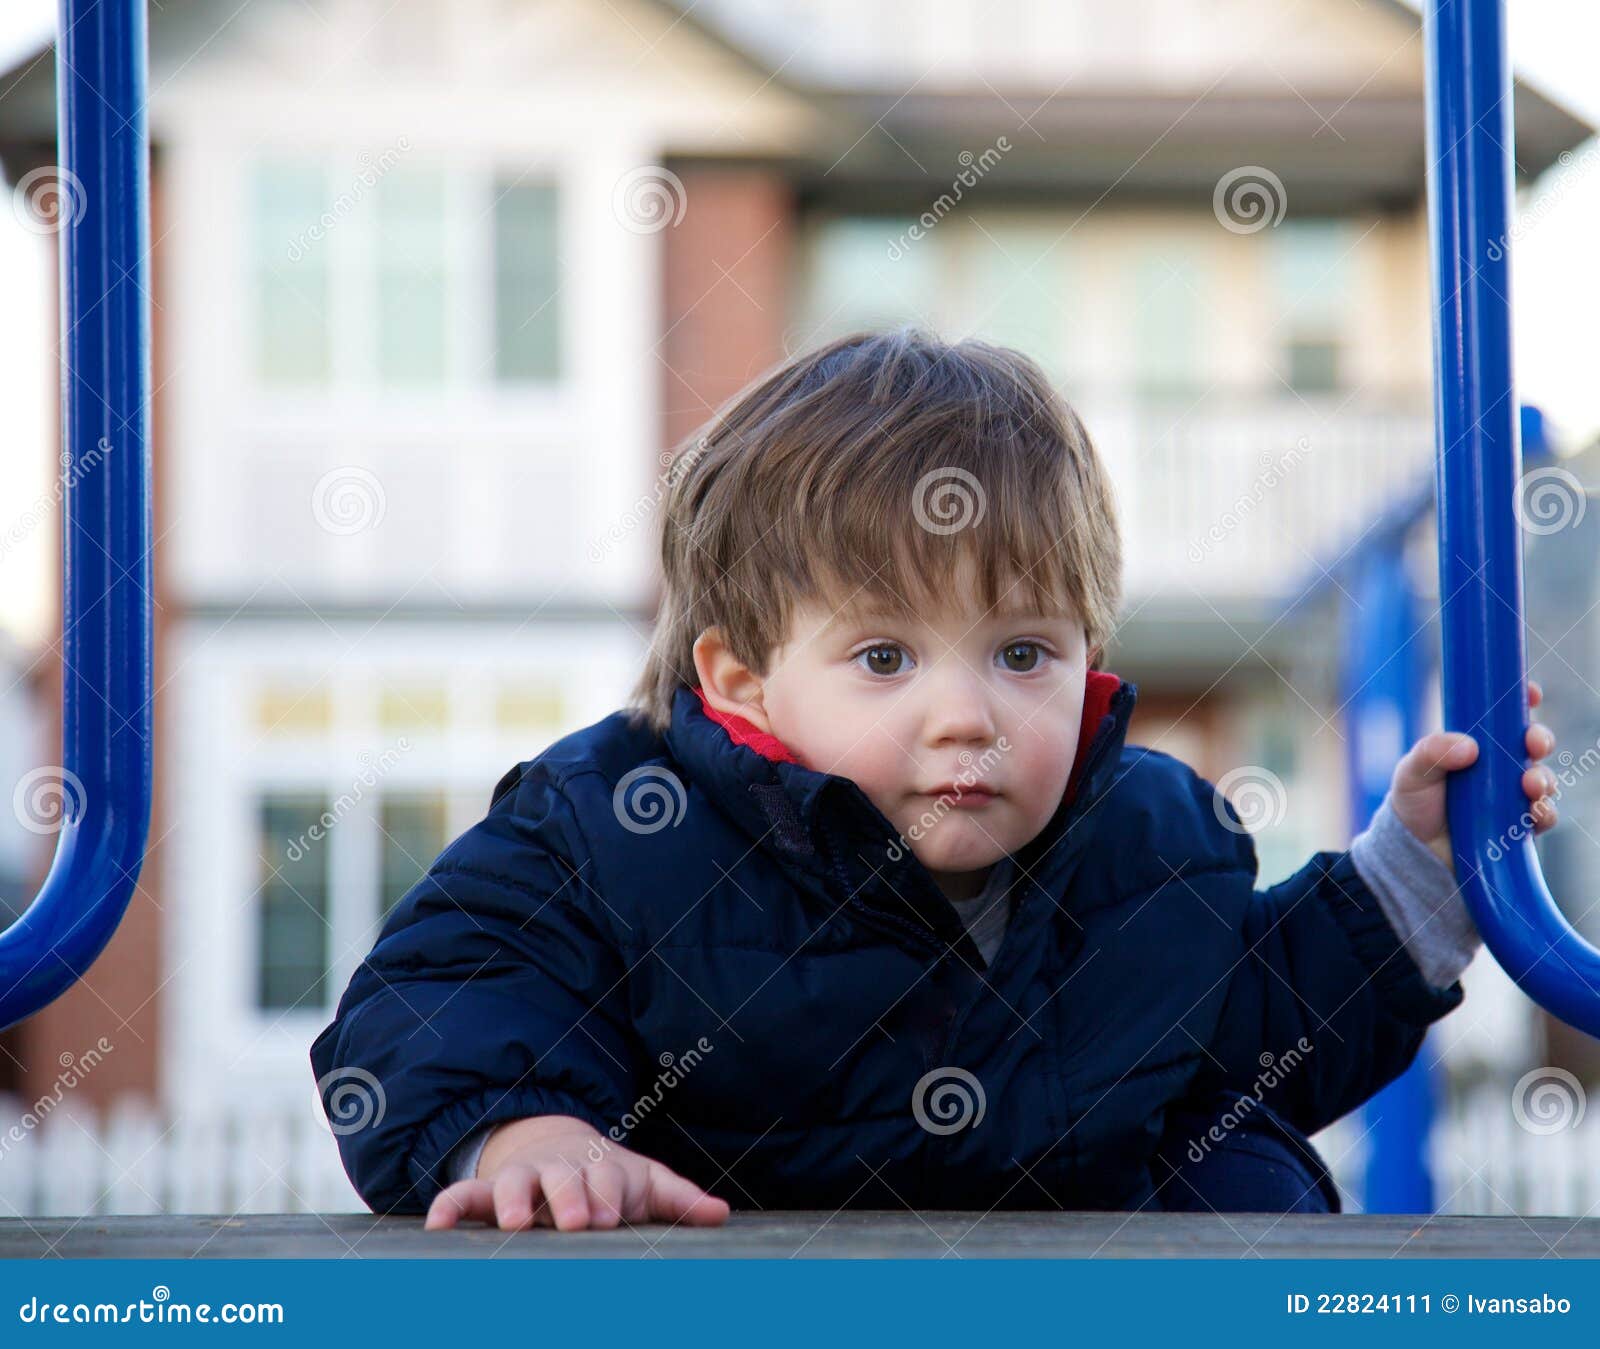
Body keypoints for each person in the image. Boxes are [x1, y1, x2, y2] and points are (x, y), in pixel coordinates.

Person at [309, 327, 1560, 1230]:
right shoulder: (615, 830)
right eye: (884, 655)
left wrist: (1416, 877)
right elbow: (441, 990)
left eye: (1023, 652)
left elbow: (1254, 1037)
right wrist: (525, 1128)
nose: (966, 713)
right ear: (742, 678)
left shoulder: (1149, 835)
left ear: (1087, 656)